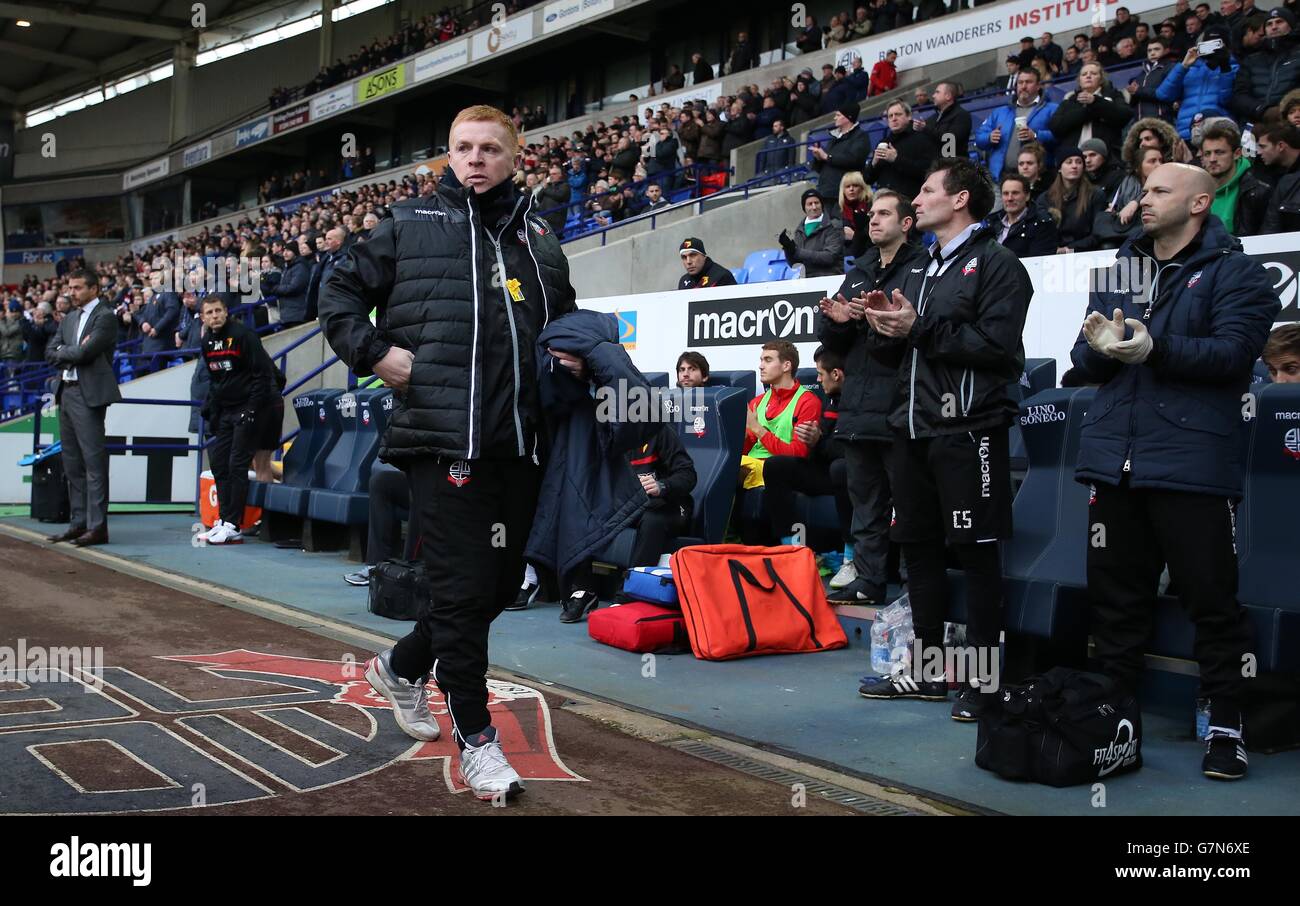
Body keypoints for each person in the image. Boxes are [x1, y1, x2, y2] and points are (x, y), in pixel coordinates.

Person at [318, 105, 580, 801]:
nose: (475, 159)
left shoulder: (539, 238)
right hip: (441, 438)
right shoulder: (408, 223)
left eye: (490, 148)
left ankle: (401, 668)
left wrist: (579, 361)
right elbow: (337, 292)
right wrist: (375, 354)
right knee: (463, 591)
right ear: (448, 153)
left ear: (514, 157)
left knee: (494, 590)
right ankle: (477, 737)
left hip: (518, 444)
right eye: (463, 146)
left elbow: (565, 325)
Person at [1072, 163, 1279, 781]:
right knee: (1114, 604)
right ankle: (1114, 721)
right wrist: (1101, 347)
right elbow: (1087, 359)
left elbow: (1235, 355)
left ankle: (1225, 726)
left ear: (1200, 203)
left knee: (1211, 602)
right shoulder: (1118, 270)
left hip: (1190, 463)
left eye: (1160, 191)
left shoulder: (1238, 272)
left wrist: (1154, 349)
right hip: (1115, 463)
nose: (1145, 200)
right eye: (1142, 189)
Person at [856, 159, 1032, 721]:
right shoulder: (918, 270)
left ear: (960, 200)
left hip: (969, 428)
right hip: (910, 430)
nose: (917, 199)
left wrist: (918, 328)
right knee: (919, 551)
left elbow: (998, 348)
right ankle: (929, 673)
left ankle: (984, 682)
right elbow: (897, 353)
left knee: (976, 555)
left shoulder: (1000, 264)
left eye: (927, 189)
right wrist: (873, 327)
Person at [818, 189, 921, 604]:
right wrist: (841, 322)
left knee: (911, 506)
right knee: (866, 504)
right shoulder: (858, 269)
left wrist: (879, 322)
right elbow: (830, 343)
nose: (873, 221)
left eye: (883, 214)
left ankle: (915, 585)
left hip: (901, 406)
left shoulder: (921, 268)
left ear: (906, 222)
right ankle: (869, 580)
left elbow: (919, 335)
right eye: (871, 214)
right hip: (859, 408)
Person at [558, 423, 697, 622]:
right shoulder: (605, 437)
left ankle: (626, 596)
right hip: (628, 506)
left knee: (652, 520)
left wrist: (662, 486)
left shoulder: (659, 431)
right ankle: (584, 590)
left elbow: (688, 475)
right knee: (580, 511)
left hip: (669, 504)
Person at [44, 269, 122, 548]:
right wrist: (69, 352)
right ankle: (78, 524)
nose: (71, 292)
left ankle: (97, 527)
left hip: (89, 396)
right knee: (72, 463)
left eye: (77, 288)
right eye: (70, 287)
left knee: (93, 463)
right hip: (66, 392)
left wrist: (67, 352)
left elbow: (85, 354)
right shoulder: (70, 317)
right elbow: (50, 352)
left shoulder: (106, 316)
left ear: (93, 289)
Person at [196, 295, 275, 546]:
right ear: (203, 317)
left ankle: (233, 524)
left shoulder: (244, 336)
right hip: (226, 411)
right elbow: (216, 380)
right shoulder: (207, 340)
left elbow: (262, 375)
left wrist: (251, 409)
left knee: (237, 464)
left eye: (218, 311)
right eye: (209, 313)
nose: (214, 316)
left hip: (248, 409)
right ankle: (223, 519)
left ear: (226, 312)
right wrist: (213, 410)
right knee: (219, 464)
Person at [737, 341, 823, 495]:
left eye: (768, 360)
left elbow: (798, 455)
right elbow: (746, 449)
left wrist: (757, 428)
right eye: (761, 360)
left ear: (786, 366)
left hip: (778, 470)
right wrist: (744, 434)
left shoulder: (808, 402)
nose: (761, 366)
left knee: (731, 473)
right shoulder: (758, 401)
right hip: (751, 465)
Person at [976, 67, 1059, 178]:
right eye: (1020, 82)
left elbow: (1060, 136)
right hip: (1001, 177)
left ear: (1038, 86)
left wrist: (1035, 135)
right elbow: (979, 138)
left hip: (1039, 177)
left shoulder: (1052, 109)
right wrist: (989, 137)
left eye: (1028, 82)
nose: (1023, 86)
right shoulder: (1000, 112)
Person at [1156, 39, 1239, 141]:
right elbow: (1163, 94)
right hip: (1187, 132)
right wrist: (1184, 65)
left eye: (1215, 44)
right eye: (1206, 45)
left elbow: (1226, 100)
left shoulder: (1233, 68)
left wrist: (1225, 67)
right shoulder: (1188, 69)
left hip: (1219, 131)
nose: (1211, 48)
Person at [1048, 62, 1135, 159]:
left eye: (1093, 73)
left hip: (1107, 157)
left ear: (1101, 79)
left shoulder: (1113, 95)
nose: (1088, 76)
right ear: (1079, 81)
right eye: (1084, 74)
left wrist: (1095, 101)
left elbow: (1125, 115)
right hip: (1075, 159)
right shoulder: (1070, 100)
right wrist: (1089, 110)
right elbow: (1055, 126)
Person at [1201, 122, 1272, 234]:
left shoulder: (1257, 191)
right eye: (1207, 154)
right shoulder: (1196, 191)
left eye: (1219, 152)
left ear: (1237, 154)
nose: (1212, 159)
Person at [1232, 7, 1300, 121]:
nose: (1274, 27)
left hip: (1290, 121)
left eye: (1279, 22)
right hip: (1255, 122)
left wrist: (1285, 110)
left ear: (1291, 26)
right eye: (1269, 24)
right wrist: (1262, 110)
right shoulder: (1252, 60)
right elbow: (1239, 96)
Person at [864, 100, 939, 201]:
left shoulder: (921, 138)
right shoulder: (883, 143)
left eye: (898, 114)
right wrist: (873, 163)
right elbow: (868, 179)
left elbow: (927, 172)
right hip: (884, 201)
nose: (894, 118)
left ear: (909, 116)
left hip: (910, 201)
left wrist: (896, 159)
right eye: (890, 116)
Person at [811, 101, 872, 216]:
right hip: (826, 192)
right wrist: (819, 159)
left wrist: (827, 157)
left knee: (841, 228)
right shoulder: (834, 138)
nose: (835, 118)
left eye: (838, 115)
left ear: (848, 117)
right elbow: (823, 166)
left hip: (844, 194)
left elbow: (854, 160)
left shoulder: (860, 136)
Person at [1039, 148, 1098, 251]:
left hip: (1084, 253)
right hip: (1052, 255)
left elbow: (1098, 233)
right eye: (1069, 162)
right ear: (1059, 168)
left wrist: (1070, 248)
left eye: (1079, 162)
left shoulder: (1094, 195)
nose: (1074, 166)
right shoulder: (1046, 198)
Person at [779, 188, 846, 278]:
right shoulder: (800, 230)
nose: (814, 207)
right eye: (810, 204)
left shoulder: (834, 226)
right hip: (807, 279)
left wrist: (796, 251)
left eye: (816, 203)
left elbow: (829, 257)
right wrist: (788, 249)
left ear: (822, 205)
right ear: (804, 208)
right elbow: (794, 264)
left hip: (830, 277)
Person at [991, 174, 1060, 255]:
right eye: (1005, 193)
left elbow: (1039, 261)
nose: (1009, 198)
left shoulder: (1043, 224)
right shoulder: (992, 222)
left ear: (1027, 196)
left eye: (1015, 193)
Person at [920, 81, 973, 159]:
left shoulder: (961, 115)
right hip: (936, 166)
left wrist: (926, 128)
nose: (933, 96)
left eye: (937, 92)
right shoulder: (934, 118)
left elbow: (950, 139)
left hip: (955, 166)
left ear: (948, 96)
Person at [1127, 37, 1176, 122]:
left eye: (1156, 49)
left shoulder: (1171, 68)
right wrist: (1133, 92)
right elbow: (1134, 103)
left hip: (1162, 121)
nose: (1152, 53)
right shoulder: (1141, 74)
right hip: (1140, 122)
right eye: (1149, 50)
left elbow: (1166, 93)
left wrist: (1138, 90)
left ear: (1166, 50)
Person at [840, 172, 874, 259]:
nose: (851, 189)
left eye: (855, 186)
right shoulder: (838, 211)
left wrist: (855, 236)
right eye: (848, 186)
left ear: (863, 188)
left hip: (869, 252)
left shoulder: (872, 208)